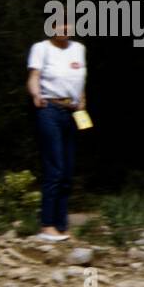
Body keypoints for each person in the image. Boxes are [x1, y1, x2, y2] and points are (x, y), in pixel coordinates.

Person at [26, 19, 86, 241]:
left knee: (68, 170)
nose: (65, 29)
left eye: (69, 25)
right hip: (49, 108)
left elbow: (80, 80)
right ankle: (47, 224)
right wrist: (35, 95)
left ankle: (62, 225)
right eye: (60, 25)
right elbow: (33, 77)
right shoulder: (41, 48)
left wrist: (82, 102)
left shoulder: (79, 49)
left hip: (72, 111)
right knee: (55, 166)